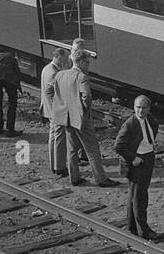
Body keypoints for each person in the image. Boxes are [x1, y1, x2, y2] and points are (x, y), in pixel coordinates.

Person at [54, 50, 114, 187]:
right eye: (87, 62)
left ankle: (74, 178)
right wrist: (85, 110)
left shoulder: (60, 75)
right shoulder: (81, 77)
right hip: (80, 118)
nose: (88, 65)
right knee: (92, 149)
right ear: (80, 62)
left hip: (66, 117)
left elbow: (55, 93)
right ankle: (101, 179)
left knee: (72, 149)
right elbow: (86, 96)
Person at [114, 95, 162, 240]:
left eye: (144, 108)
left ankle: (132, 226)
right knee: (140, 197)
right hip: (136, 162)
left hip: (147, 158)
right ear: (134, 108)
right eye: (137, 108)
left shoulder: (151, 121)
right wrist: (133, 158)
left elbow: (149, 136)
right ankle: (144, 232)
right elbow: (118, 146)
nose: (140, 111)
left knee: (134, 196)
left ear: (148, 109)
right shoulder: (129, 124)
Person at [39, 48, 71, 178]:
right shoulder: (54, 73)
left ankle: (54, 165)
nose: (67, 61)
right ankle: (60, 167)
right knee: (59, 138)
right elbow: (50, 92)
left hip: (48, 108)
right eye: (65, 58)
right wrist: (58, 109)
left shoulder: (46, 68)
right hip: (55, 111)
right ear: (59, 57)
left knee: (53, 137)